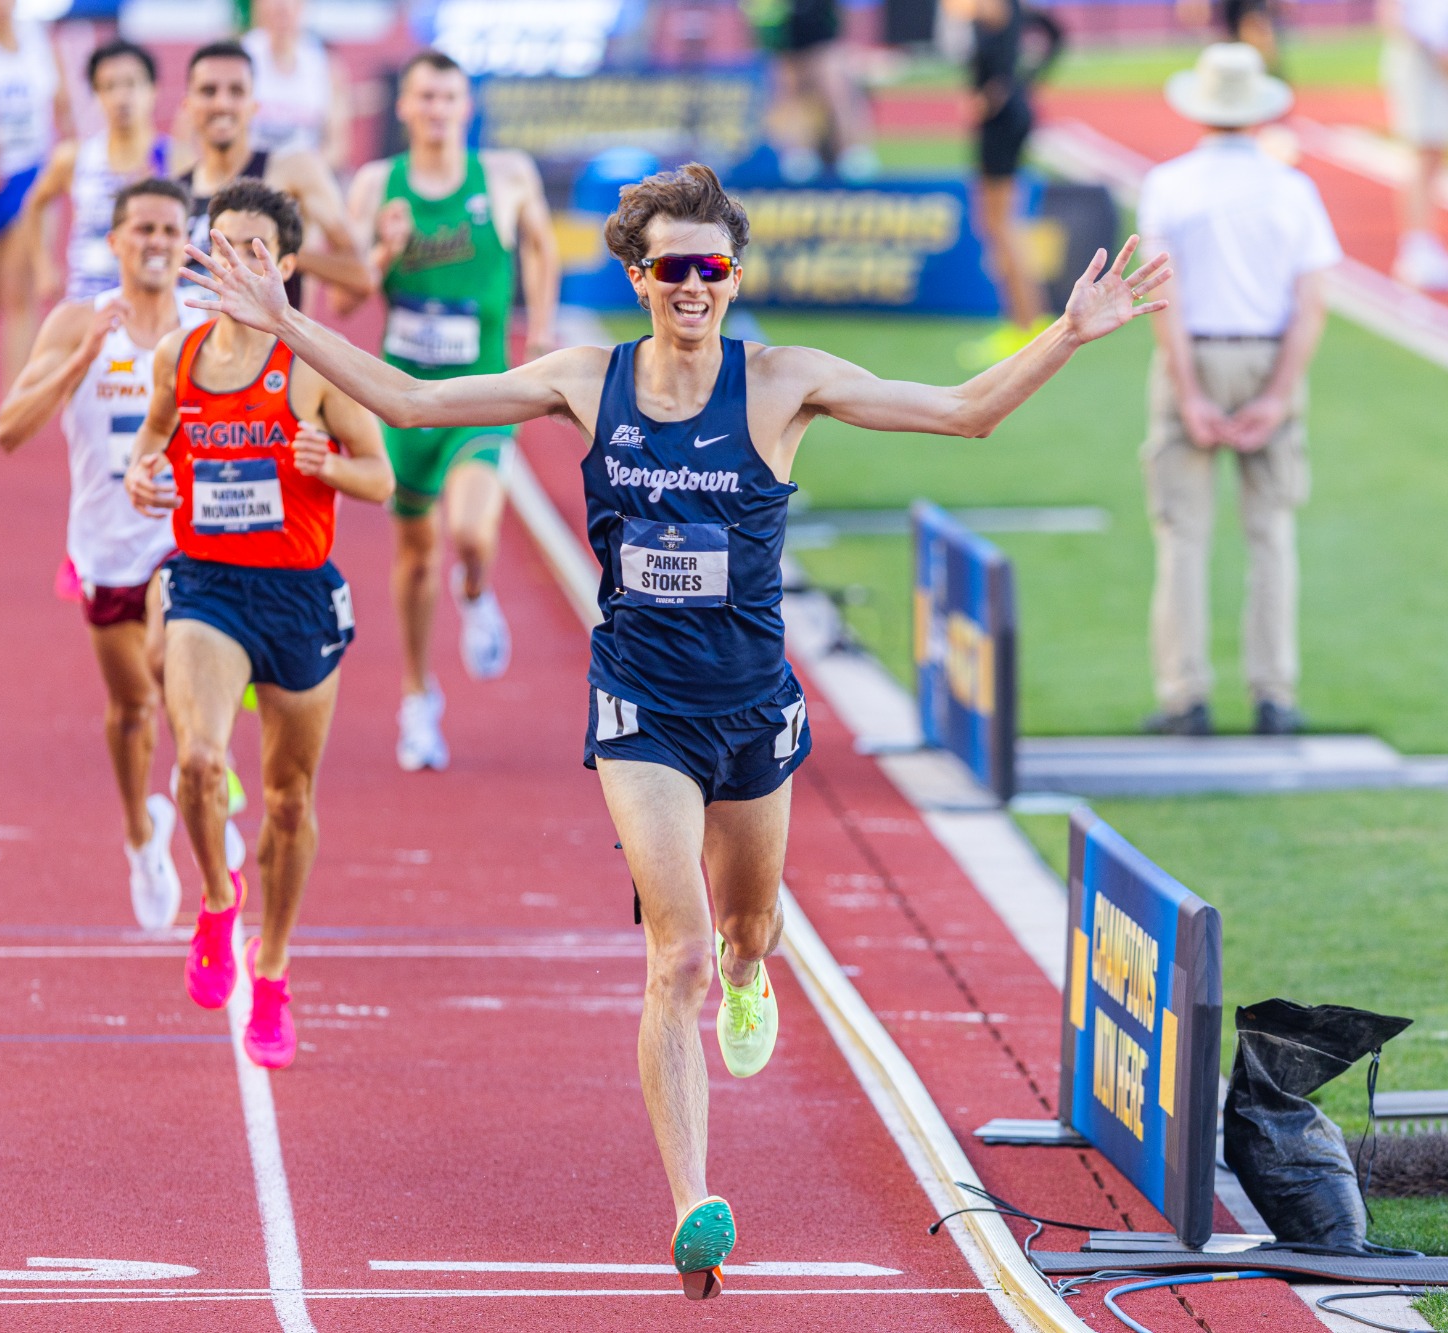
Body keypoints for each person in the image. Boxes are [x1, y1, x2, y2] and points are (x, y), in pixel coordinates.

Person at [182, 162, 1166, 1292]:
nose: (689, 285)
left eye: (709, 267)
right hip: (640, 707)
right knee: (677, 951)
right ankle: (692, 1197)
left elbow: (961, 415)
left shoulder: (782, 385)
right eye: (667, 269)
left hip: (751, 706)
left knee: (746, 934)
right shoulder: (581, 382)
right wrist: (285, 320)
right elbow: (411, 401)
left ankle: (756, 968)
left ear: (732, 278)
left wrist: (1069, 333)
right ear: (636, 276)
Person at [123, 181, 394, 1067]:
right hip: (207, 585)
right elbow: (153, 441)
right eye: (220, 245)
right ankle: (214, 899)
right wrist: (140, 474)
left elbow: (380, 477)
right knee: (200, 761)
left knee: (287, 799)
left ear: (282, 267)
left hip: (299, 596)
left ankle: (270, 970)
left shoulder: (315, 365)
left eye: (252, 251)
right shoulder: (179, 353)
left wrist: (330, 464)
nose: (231, 263)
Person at [0, 178, 205, 930]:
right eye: (141, 229)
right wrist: (82, 355)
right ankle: (141, 834)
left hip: (183, 542)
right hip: (104, 545)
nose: (155, 242)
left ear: (188, 243)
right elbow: (8, 431)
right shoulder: (78, 323)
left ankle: (209, 787)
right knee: (130, 710)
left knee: (166, 665)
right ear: (114, 242)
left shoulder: (207, 327)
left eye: (170, 230)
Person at [340, 49, 559, 771]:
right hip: (403, 403)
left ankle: (476, 591)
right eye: (424, 97)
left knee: (469, 533)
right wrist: (382, 253)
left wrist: (546, 326)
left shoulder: (505, 176)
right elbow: (341, 298)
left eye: (449, 97)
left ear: (467, 106)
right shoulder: (377, 186)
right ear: (402, 107)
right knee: (412, 558)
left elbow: (540, 244)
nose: (436, 109)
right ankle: (417, 697)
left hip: (481, 392)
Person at [1138, 45, 1338, 738]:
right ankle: (1273, 692)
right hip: (1267, 353)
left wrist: (1188, 389)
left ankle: (1183, 694)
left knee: (1183, 537)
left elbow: (1165, 293)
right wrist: (1279, 394)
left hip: (1192, 351)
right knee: (1271, 535)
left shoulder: (1169, 183)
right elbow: (1312, 300)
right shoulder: (1291, 188)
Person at [173, 40, 369, 316]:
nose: (222, 103)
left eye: (236, 91)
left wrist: (278, 250)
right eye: (208, 91)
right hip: (193, 354)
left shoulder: (292, 171)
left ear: (254, 105)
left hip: (269, 354)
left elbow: (362, 274)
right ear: (188, 105)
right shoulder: (177, 192)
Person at [0, 0, 72, 386]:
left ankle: (18, 392)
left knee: (19, 294)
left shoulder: (38, 39)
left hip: (29, 176)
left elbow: (63, 106)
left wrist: (73, 158)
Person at [20, 39, 171, 306]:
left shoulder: (175, 160)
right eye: (109, 87)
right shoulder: (75, 158)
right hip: (86, 305)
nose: (121, 97)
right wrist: (43, 266)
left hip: (153, 310)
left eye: (131, 84)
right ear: (96, 95)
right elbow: (34, 205)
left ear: (153, 90)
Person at [956, 0, 1049, 369]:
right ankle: (1025, 319)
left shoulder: (991, 7)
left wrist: (998, 89)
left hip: (1002, 120)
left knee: (1001, 225)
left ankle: (1028, 323)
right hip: (1004, 117)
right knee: (995, 225)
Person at [1380, 0, 1448, 290]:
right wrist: (1440, 45)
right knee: (1422, 153)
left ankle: (1426, 240)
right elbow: (1394, 15)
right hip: (1422, 58)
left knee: (1438, 153)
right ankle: (1415, 247)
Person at [744, 0, 878, 182]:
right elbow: (761, 19)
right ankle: (799, 151)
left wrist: (857, 50)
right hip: (787, 47)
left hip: (825, 45)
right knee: (787, 88)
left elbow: (858, 10)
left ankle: (851, 150)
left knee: (835, 84)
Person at [241, 0, 350, 168]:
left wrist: (303, 175)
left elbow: (337, 146)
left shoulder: (325, 66)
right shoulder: (239, 59)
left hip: (303, 181)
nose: (282, 6)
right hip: (248, 178)